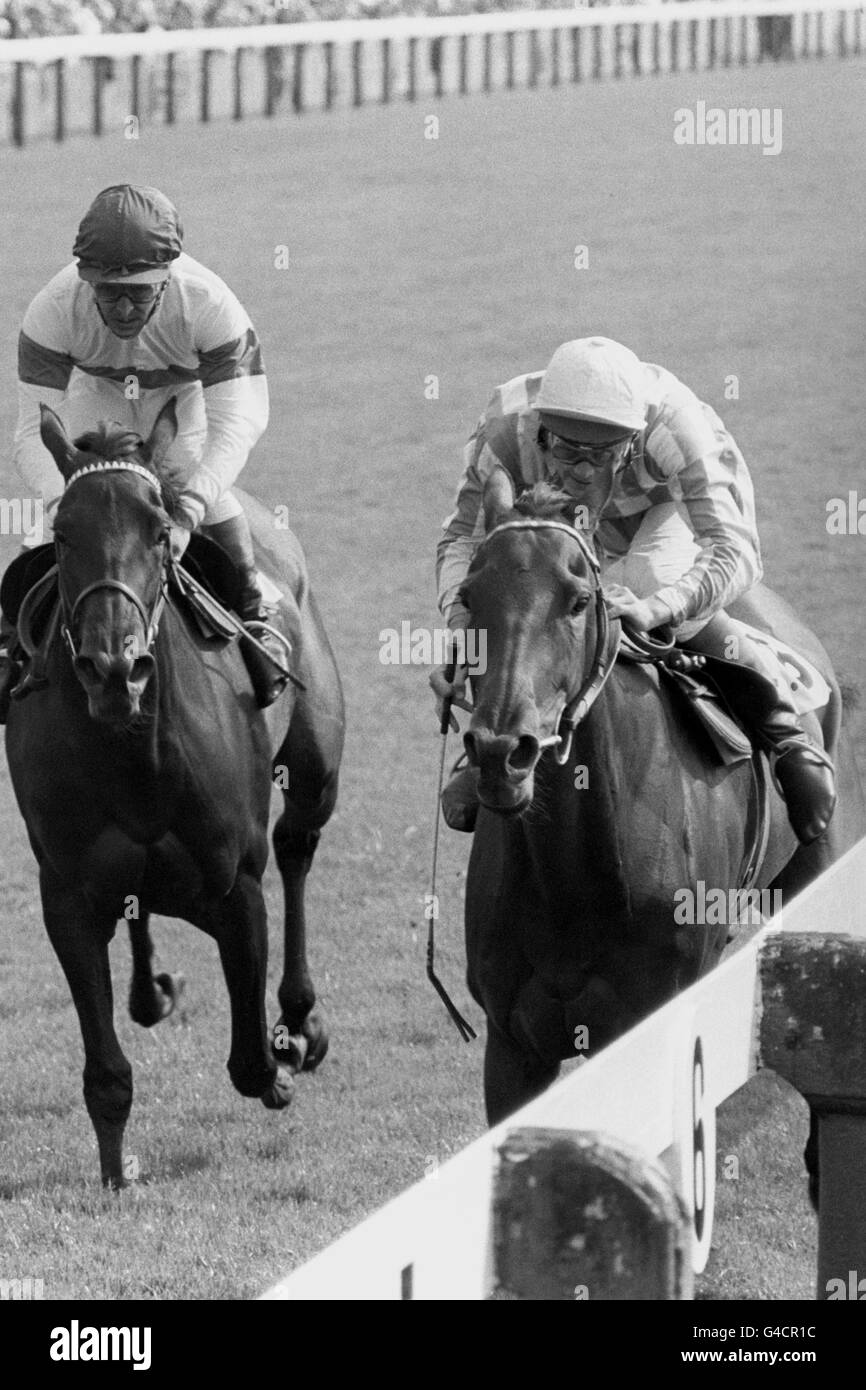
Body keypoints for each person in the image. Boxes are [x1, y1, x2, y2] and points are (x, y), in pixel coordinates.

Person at [430, 335, 836, 845]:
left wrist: (656, 608)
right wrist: (462, 629)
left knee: (648, 574)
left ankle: (784, 732)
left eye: (600, 455)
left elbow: (734, 548)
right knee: (516, 587)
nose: (580, 471)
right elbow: (462, 541)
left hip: (660, 511)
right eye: (566, 448)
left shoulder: (676, 428)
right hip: (553, 524)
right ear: (541, 431)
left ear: (632, 443)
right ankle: (490, 741)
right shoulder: (506, 427)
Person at [0, 182, 288, 716]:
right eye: (108, 292)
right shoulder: (53, 309)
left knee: (199, 491)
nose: (125, 306)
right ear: (86, 280)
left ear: (169, 276)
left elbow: (237, 423)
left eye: (141, 290)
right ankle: (8, 643)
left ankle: (254, 613)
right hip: (96, 396)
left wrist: (191, 509)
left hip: (181, 401)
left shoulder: (211, 305)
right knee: (59, 526)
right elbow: (29, 432)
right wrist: (60, 500)